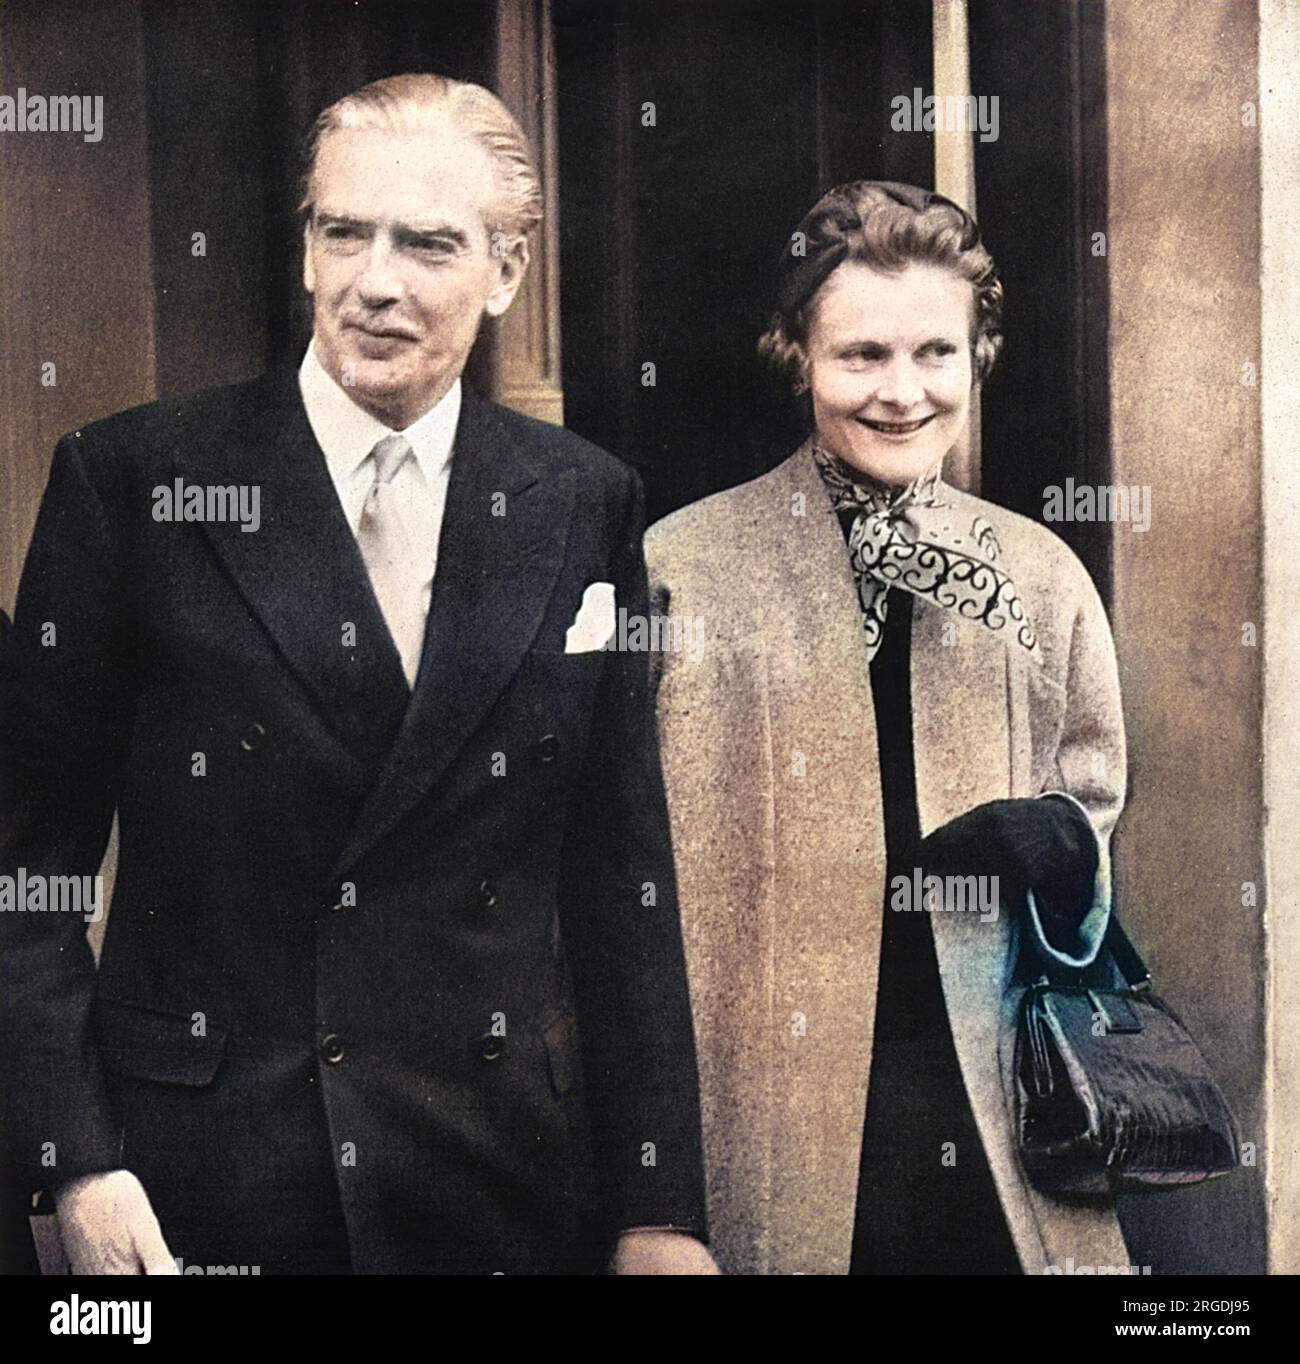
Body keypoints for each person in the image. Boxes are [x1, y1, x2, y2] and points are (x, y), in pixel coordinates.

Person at [0, 72, 715, 1276]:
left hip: (496, 1183)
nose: (375, 282)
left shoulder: (582, 498)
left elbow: (621, 878)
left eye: (428, 243)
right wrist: (73, 1160)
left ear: (504, 272)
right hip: (198, 1187)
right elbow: (19, 872)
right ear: (305, 250)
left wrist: (659, 1208)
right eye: (344, 232)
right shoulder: (135, 481)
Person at [645, 181, 1131, 1275]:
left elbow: (1094, 803)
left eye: (936, 353)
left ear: (980, 356)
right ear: (793, 353)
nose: (902, 392)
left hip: (995, 1101)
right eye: (860, 354)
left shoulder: (1040, 576)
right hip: (769, 1106)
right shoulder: (683, 567)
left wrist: (1064, 838)